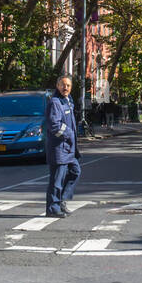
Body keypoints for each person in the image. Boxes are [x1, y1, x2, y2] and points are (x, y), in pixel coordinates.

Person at [44, 75, 82, 218]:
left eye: (68, 85)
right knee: (57, 180)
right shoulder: (55, 102)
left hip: (68, 149)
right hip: (59, 148)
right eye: (62, 85)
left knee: (75, 171)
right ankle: (53, 208)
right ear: (57, 85)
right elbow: (55, 126)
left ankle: (61, 201)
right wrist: (69, 134)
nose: (65, 87)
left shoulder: (67, 101)